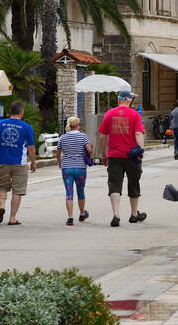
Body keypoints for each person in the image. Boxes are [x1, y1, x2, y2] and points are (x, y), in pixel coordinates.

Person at [99, 90, 146, 228]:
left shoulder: (109, 113)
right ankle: (133, 214)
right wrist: (140, 151)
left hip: (114, 155)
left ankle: (116, 214)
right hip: (131, 156)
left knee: (114, 184)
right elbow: (138, 133)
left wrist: (104, 154)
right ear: (130, 101)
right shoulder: (135, 114)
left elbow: (102, 137)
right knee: (134, 183)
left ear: (119, 100)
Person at [0, 100, 36, 226]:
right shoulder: (26, 127)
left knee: (2, 187)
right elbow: (31, 147)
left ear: (10, 111)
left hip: (3, 162)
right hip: (19, 163)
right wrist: (33, 162)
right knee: (17, 191)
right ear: (21, 112)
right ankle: (12, 218)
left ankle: (2, 206)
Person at [55, 116, 94, 226]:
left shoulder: (63, 137)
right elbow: (89, 149)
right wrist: (87, 155)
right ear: (78, 125)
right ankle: (82, 214)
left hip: (66, 168)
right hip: (80, 167)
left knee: (69, 193)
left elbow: (58, 153)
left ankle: (70, 217)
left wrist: (60, 163)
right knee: (80, 191)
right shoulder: (83, 137)